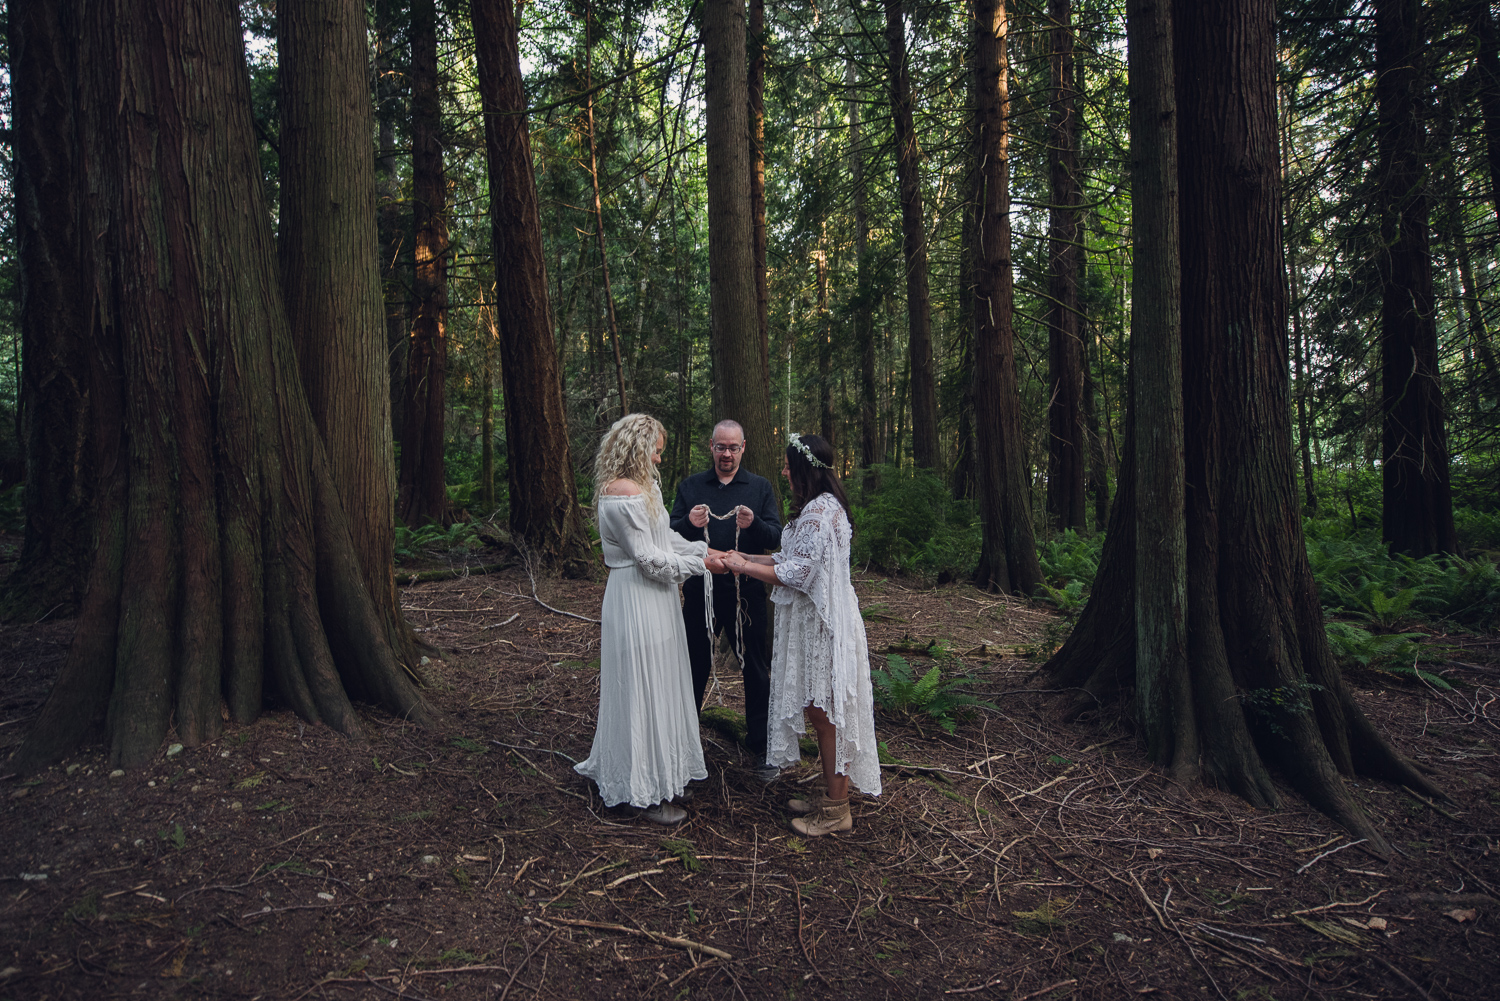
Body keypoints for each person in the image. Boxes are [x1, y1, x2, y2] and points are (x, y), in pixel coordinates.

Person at [723, 433, 881, 836]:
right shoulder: (821, 507)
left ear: (804, 469)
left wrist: (743, 568)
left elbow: (799, 573)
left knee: (827, 714)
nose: (785, 472)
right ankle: (832, 794)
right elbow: (790, 558)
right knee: (819, 708)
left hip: (825, 623)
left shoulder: (818, 513)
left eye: (789, 466)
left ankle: (837, 809)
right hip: (819, 619)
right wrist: (746, 557)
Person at [575, 414, 727, 825]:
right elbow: (646, 558)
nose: (659, 459)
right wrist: (698, 568)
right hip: (635, 597)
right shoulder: (620, 494)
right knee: (640, 686)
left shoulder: (643, 489)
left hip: (659, 599)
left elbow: (665, 540)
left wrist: (702, 552)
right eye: (656, 450)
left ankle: (663, 774)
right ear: (639, 448)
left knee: (660, 680)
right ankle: (638, 791)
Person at [669, 419, 783, 779]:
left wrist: (755, 527)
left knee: (755, 667)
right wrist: (689, 521)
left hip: (746, 593)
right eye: (721, 447)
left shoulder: (760, 487)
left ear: (744, 447)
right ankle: (682, 745)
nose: (727, 454)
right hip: (700, 591)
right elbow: (670, 535)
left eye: (733, 447)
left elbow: (775, 537)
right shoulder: (691, 486)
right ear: (711, 447)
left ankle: (761, 745)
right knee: (693, 665)